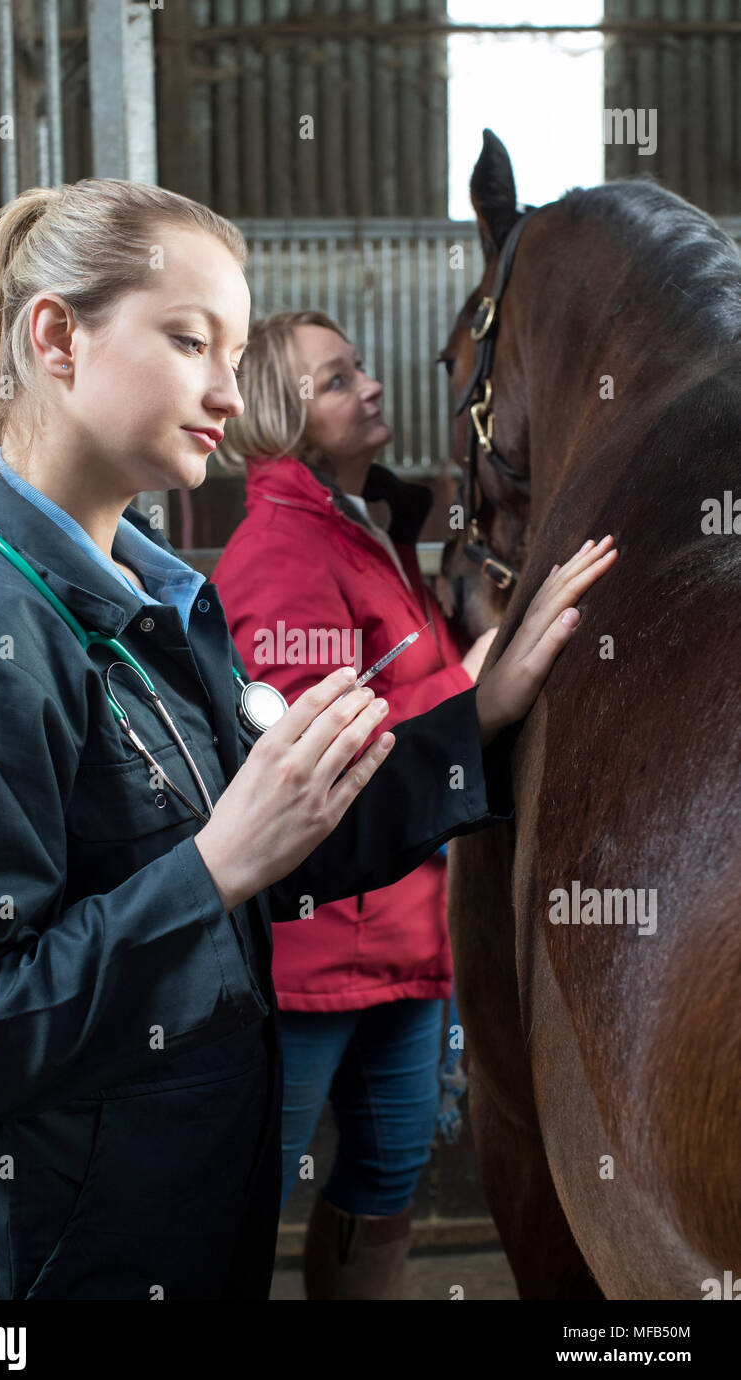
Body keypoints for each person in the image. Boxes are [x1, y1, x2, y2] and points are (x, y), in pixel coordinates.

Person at [0, 177, 618, 1301]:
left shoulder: (159, 600)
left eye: (233, 349)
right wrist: (209, 868)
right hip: (39, 1271)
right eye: (189, 340)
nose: (229, 390)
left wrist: (481, 714)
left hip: (176, 1229)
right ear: (57, 336)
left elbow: (282, 847)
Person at [213, 310, 497, 1298]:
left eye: (360, 367)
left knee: (385, 1177)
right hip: (315, 950)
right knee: (239, 1194)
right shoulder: (280, 555)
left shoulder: (361, 529)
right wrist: (481, 683)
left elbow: (399, 691)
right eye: (335, 380)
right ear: (279, 420)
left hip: (402, 941)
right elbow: (321, 756)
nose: (370, 386)